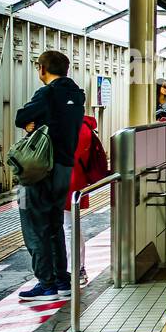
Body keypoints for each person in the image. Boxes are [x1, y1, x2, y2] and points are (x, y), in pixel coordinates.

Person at [16, 50, 85, 301]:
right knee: (55, 223)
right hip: (64, 169)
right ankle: (61, 280)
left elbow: (21, 117)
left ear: (42, 69)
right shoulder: (77, 96)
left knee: (35, 225)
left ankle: (46, 284)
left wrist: (29, 123)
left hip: (39, 169)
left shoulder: (46, 93)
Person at [63, 111, 103, 286]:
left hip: (67, 182)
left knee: (68, 227)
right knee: (70, 226)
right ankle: (76, 268)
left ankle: (75, 269)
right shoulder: (85, 126)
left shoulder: (73, 127)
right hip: (74, 181)